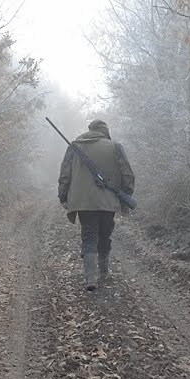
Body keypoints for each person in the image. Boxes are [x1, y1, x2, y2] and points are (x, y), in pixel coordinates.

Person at [58, 118, 136, 291]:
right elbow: (127, 175)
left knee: (89, 236)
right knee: (104, 235)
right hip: (108, 202)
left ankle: (91, 278)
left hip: (84, 202)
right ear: (105, 131)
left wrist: (63, 196)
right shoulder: (115, 147)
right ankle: (104, 272)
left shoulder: (74, 146)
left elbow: (65, 175)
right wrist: (125, 194)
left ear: (90, 130)